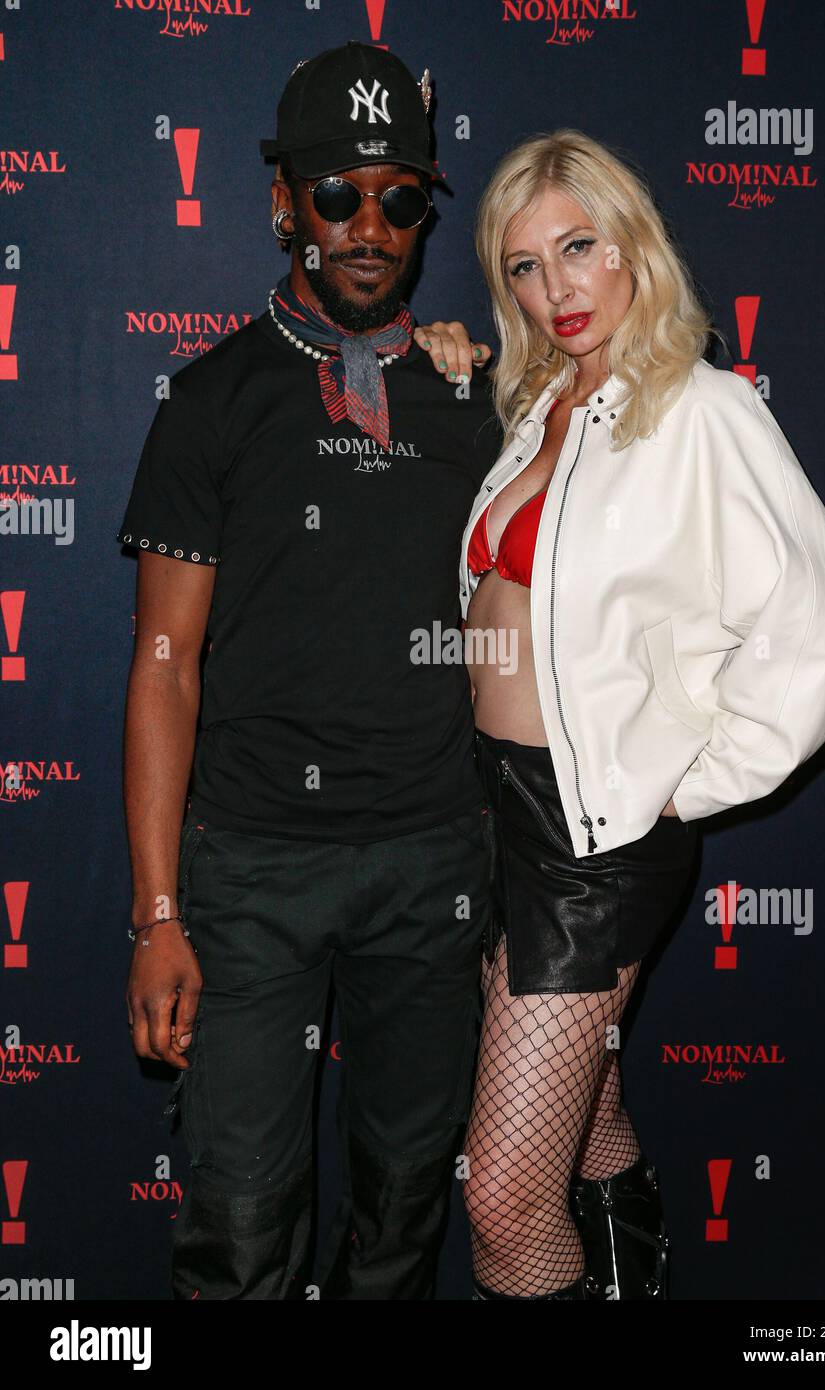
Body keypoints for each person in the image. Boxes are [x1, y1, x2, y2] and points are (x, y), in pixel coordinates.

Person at [421, 128, 825, 1301]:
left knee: (507, 1199)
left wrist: (686, 782)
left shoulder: (703, 409)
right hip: (499, 806)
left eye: (577, 248)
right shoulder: (540, 406)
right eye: (523, 264)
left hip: (598, 842)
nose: (553, 287)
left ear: (632, 247)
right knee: (586, 1110)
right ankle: (638, 1270)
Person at [117, 41, 503, 1300]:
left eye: (400, 197)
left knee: (400, 1222)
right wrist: (161, 912)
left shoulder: (479, 395)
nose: (369, 226)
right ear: (283, 201)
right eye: (338, 194)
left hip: (432, 869)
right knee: (236, 1233)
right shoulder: (213, 398)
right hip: (250, 874)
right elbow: (166, 666)